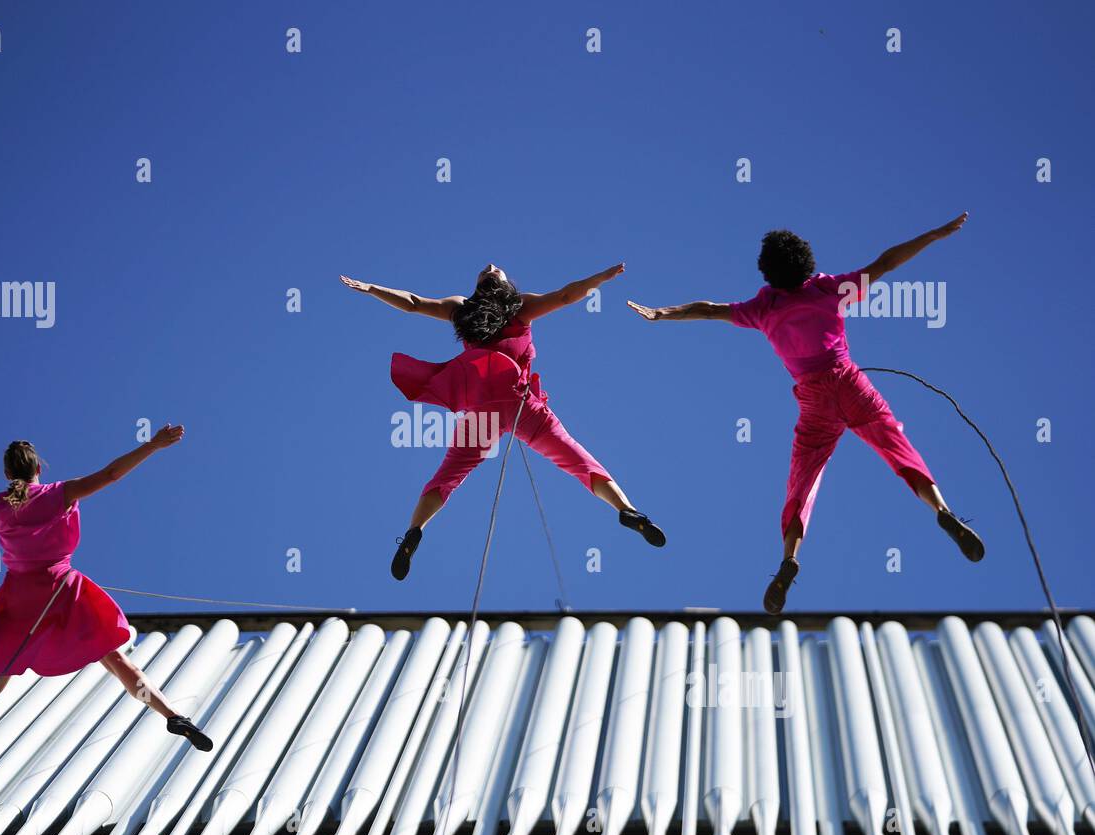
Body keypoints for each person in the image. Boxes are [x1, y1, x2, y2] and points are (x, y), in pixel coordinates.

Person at [627, 214, 984, 613]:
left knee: (803, 479)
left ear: (768, 270)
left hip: (814, 401)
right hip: (850, 384)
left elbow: (710, 310)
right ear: (805, 262)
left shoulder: (763, 307)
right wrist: (934, 234)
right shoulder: (827, 289)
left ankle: (789, 558)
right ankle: (942, 509)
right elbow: (884, 263)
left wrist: (664, 313)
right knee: (896, 444)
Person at [0, 426, 214, 789]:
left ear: (7, 475)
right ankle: (172, 714)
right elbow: (111, 474)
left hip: (21, 600)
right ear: (38, 470)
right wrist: (152, 446)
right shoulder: (62, 493)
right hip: (64, 589)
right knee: (117, 659)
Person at [341, 263, 666, 580]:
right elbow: (567, 295)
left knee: (449, 474)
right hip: (522, 403)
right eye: (488, 270)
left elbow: (413, 303)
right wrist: (601, 278)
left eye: (491, 269)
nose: (490, 265)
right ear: (500, 284)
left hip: (482, 405)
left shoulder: (461, 309)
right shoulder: (520, 306)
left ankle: (415, 531)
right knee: (579, 460)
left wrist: (372, 289)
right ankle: (625, 508)